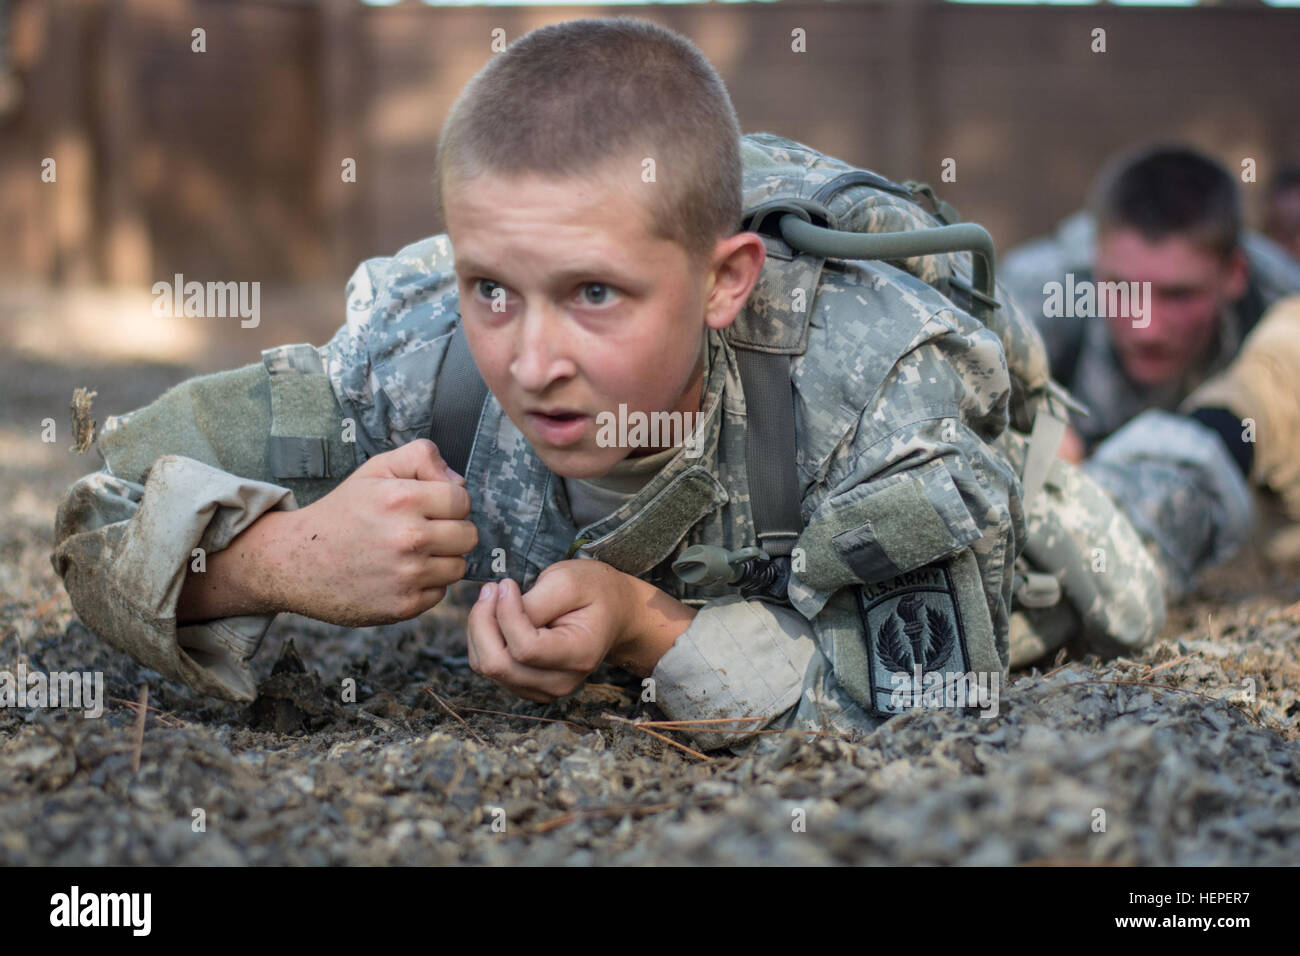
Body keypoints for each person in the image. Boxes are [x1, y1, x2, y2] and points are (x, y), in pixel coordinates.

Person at [49, 18, 1248, 750]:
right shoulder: (420, 356)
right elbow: (96, 500)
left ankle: (1258, 402)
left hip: (1031, 524)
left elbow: (927, 700)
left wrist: (651, 632)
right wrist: (275, 561)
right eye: (493, 288)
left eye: (597, 294)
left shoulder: (871, 381)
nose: (529, 359)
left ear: (725, 282)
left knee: (1170, 496)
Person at [1000, 146, 1300, 462]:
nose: (1147, 330)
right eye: (1122, 289)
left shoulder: (1281, 303)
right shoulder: (1034, 296)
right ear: (1096, 258)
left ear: (1235, 274)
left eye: (1179, 295)